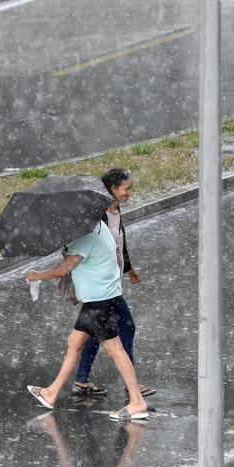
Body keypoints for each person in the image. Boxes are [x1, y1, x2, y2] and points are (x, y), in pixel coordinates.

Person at [26, 219, 149, 420]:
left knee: (115, 350)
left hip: (99, 302)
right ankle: (51, 393)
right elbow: (85, 259)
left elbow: (62, 270)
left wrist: (37, 275)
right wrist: (71, 251)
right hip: (102, 298)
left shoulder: (85, 239)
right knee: (74, 343)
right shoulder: (100, 227)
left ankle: (137, 401)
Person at [70, 169, 155, 399]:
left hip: (110, 283)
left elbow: (119, 244)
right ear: (113, 189)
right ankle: (131, 386)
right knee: (126, 327)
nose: (129, 193)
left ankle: (81, 380)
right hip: (101, 287)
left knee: (93, 331)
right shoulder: (97, 217)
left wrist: (129, 268)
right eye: (126, 189)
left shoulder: (116, 210)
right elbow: (85, 246)